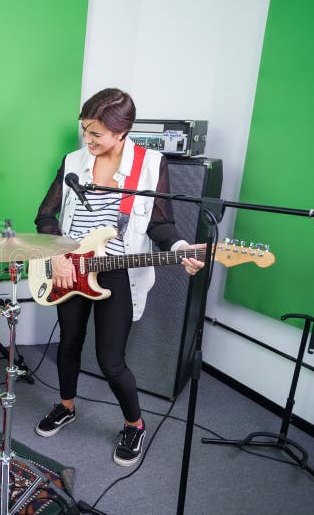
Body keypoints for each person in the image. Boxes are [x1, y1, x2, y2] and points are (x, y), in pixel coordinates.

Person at [33, 88, 205, 466]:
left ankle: (135, 423)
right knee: (69, 343)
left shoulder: (149, 164)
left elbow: (161, 223)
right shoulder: (74, 161)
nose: (87, 140)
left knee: (111, 361)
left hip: (116, 273)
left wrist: (179, 250)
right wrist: (60, 254)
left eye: (96, 134)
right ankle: (66, 405)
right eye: (85, 130)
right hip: (69, 267)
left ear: (122, 132)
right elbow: (45, 216)